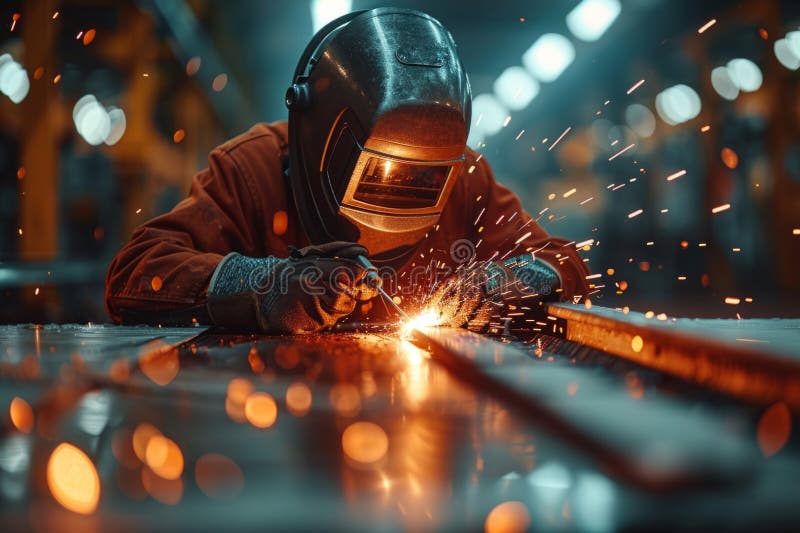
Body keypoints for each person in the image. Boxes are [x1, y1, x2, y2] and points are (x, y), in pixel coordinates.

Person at [105, 7, 590, 334]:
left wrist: (513, 283)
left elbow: (562, 261)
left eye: (423, 178)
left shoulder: (464, 179)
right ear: (325, 140)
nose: (401, 187)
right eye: (382, 170)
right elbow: (136, 274)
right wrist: (263, 286)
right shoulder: (254, 169)